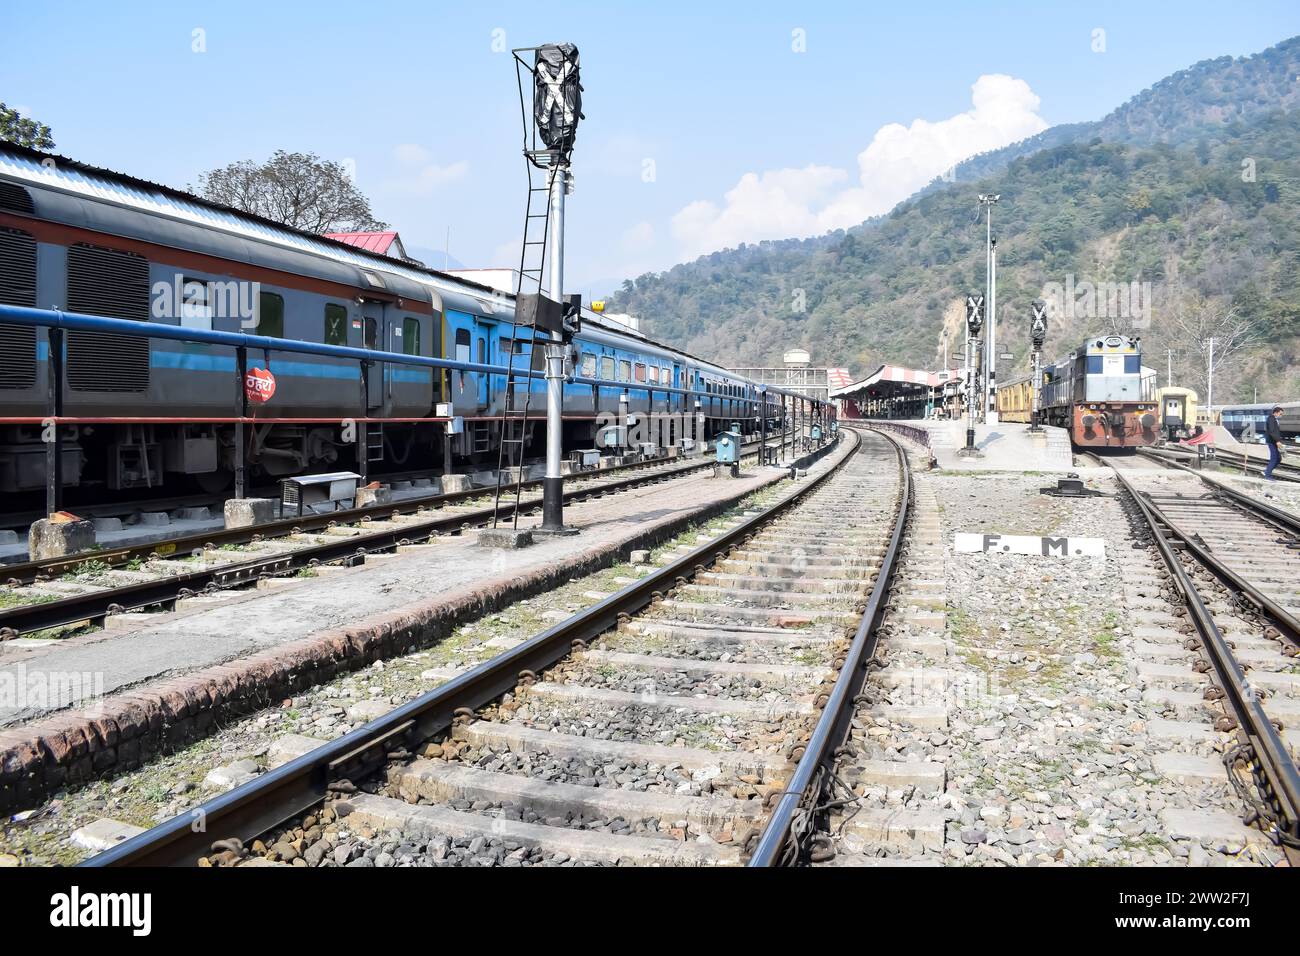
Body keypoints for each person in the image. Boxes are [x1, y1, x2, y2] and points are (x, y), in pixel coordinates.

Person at [1263, 405, 1284, 480]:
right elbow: (1272, 431)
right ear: (1275, 413)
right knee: (1274, 458)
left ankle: (1266, 471)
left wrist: (1278, 441)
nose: (1281, 416)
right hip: (1272, 441)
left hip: (1274, 441)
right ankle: (1267, 475)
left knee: (1278, 458)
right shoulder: (1271, 419)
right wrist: (1277, 441)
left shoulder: (1274, 419)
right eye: (1280, 414)